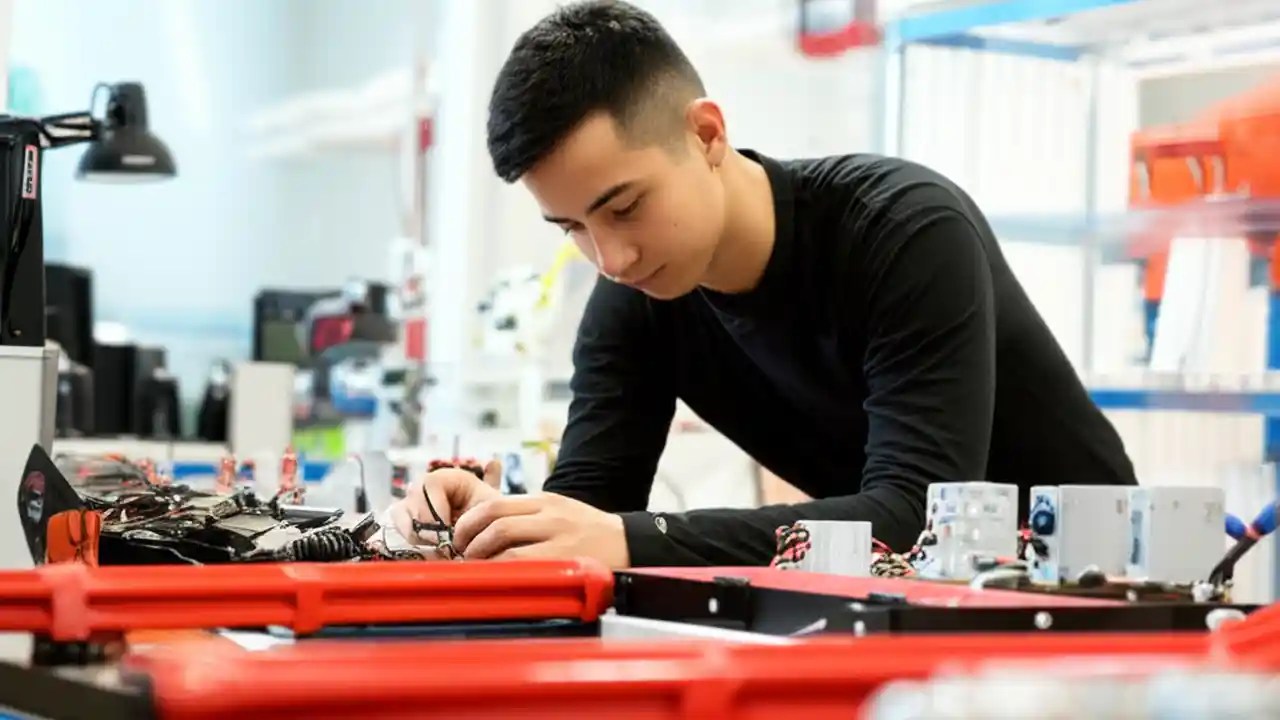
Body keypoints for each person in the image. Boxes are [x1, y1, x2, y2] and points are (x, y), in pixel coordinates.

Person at [391, 0, 1137, 568]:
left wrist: (630, 538)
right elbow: (590, 513)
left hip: (1101, 587)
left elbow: (916, 515)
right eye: (572, 228)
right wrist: (491, 525)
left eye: (624, 207)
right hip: (909, 595)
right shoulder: (635, 298)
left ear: (706, 134)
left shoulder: (905, 231)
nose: (610, 256)